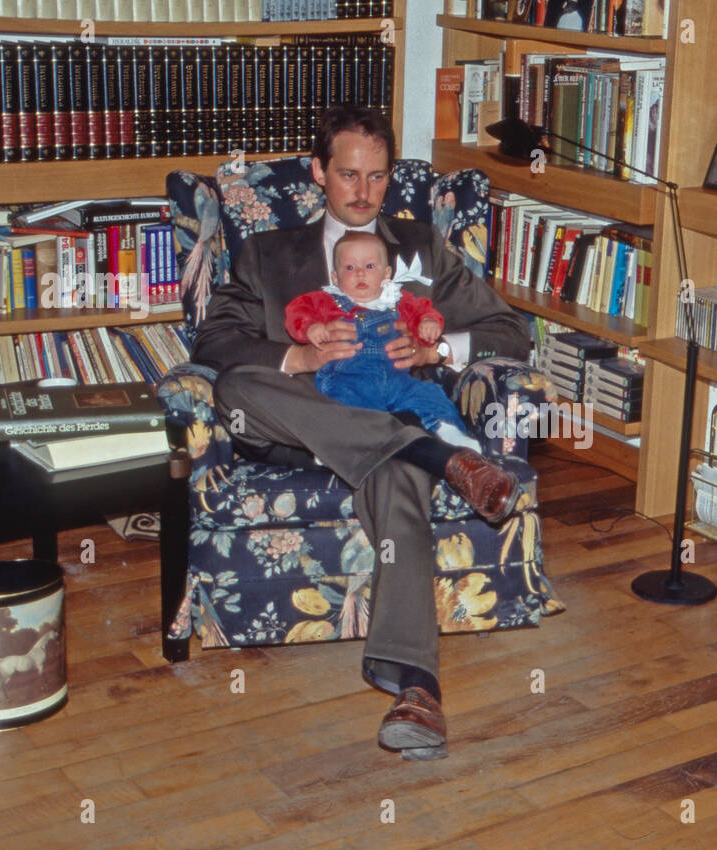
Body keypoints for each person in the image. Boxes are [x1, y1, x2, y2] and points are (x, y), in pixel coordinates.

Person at [192, 104, 532, 761]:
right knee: (237, 385)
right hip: (294, 420)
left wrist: (437, 352)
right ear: (319, 172)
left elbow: (509, 331)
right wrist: (302, 356)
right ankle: (438, 455)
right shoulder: (266, 254)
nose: (362, 193)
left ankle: (418, 685)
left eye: (378, 178)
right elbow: (216, 341)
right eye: (348, 175)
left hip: (393, 419)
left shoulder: (423, 248)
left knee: (397, 464)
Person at [285, 230, 480, 452]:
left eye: (369, 266)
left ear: (386, 274)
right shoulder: (327, 301)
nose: (359, 273)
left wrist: (428, 322)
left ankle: (448, 431)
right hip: (348, 380)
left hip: (398, 380)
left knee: (429, 394)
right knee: (345, 410)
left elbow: (421, 310)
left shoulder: (397, 299)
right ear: (335, 277)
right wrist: (311, 327)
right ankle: (336, 447)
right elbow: (297, 310)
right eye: (349, 268)